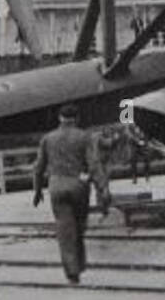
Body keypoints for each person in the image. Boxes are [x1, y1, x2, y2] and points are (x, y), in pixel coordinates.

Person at [33, 106, 109, 283]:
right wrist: (103, 187)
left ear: (60, 118)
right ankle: (78, 265)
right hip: (78, 185)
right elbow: (94, 164)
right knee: (79, 227)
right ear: (77, 118)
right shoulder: (84, 137)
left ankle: (72, 271)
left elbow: (38, 167)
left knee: (65, 229)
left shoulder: (48, 138)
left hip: (57, 186)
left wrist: (37, 191)